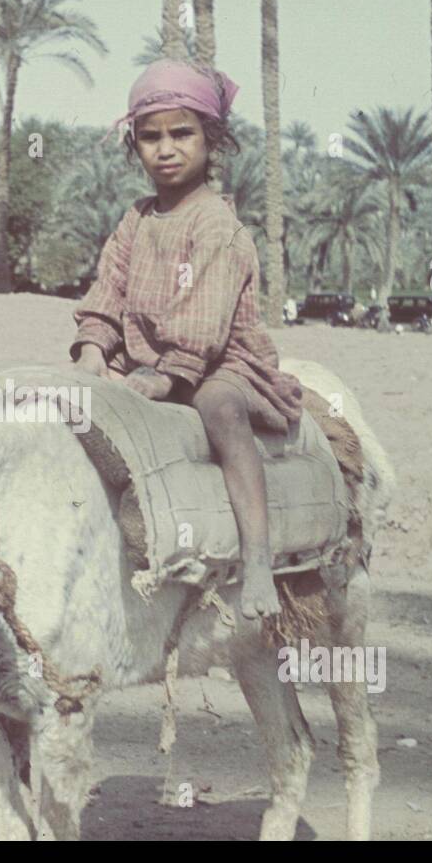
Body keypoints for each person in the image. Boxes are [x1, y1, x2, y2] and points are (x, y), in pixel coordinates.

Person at [70, 59, 302, 621]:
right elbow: (108, 290)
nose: (165, 149)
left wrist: (167, 375)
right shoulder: (136, 219)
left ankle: (258, 559)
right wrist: (95, 350)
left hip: (223, 361)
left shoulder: (217, 225)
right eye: (150, 137)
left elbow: (204, 321)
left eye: (181, 134)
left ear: (211, 140)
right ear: (134, 145)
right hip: (148, 358)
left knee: (217, 408)